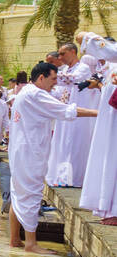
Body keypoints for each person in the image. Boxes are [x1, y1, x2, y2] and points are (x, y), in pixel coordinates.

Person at [8, 60, 99, 252]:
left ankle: (15, 239)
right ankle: (31, 244)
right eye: (53, 78)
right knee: (31, 195)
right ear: (41, 78)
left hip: (21, 151)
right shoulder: (35, 94)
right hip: (29, 153)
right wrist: (99, 113)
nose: (55, 83)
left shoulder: (25, 92)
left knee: (18, 194)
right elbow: (67, 111)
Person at [46, 44, 99, 188]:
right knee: (62, 146)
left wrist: (50, 76)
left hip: (78, 116)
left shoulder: (83, 68)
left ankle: (74, 179)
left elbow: (73, 79)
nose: (60, 57)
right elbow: (59, 91)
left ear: (73, 52)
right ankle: (62, 177)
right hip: (64, 115)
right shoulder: (64, 70)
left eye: (63, 54)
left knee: (74, 147)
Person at [79, 33, 117, 225]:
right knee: (107, 157)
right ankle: (108, 206)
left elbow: (110, 50)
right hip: (109, 120)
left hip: (113, 121)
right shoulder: (111, 66)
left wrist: (89, 37)